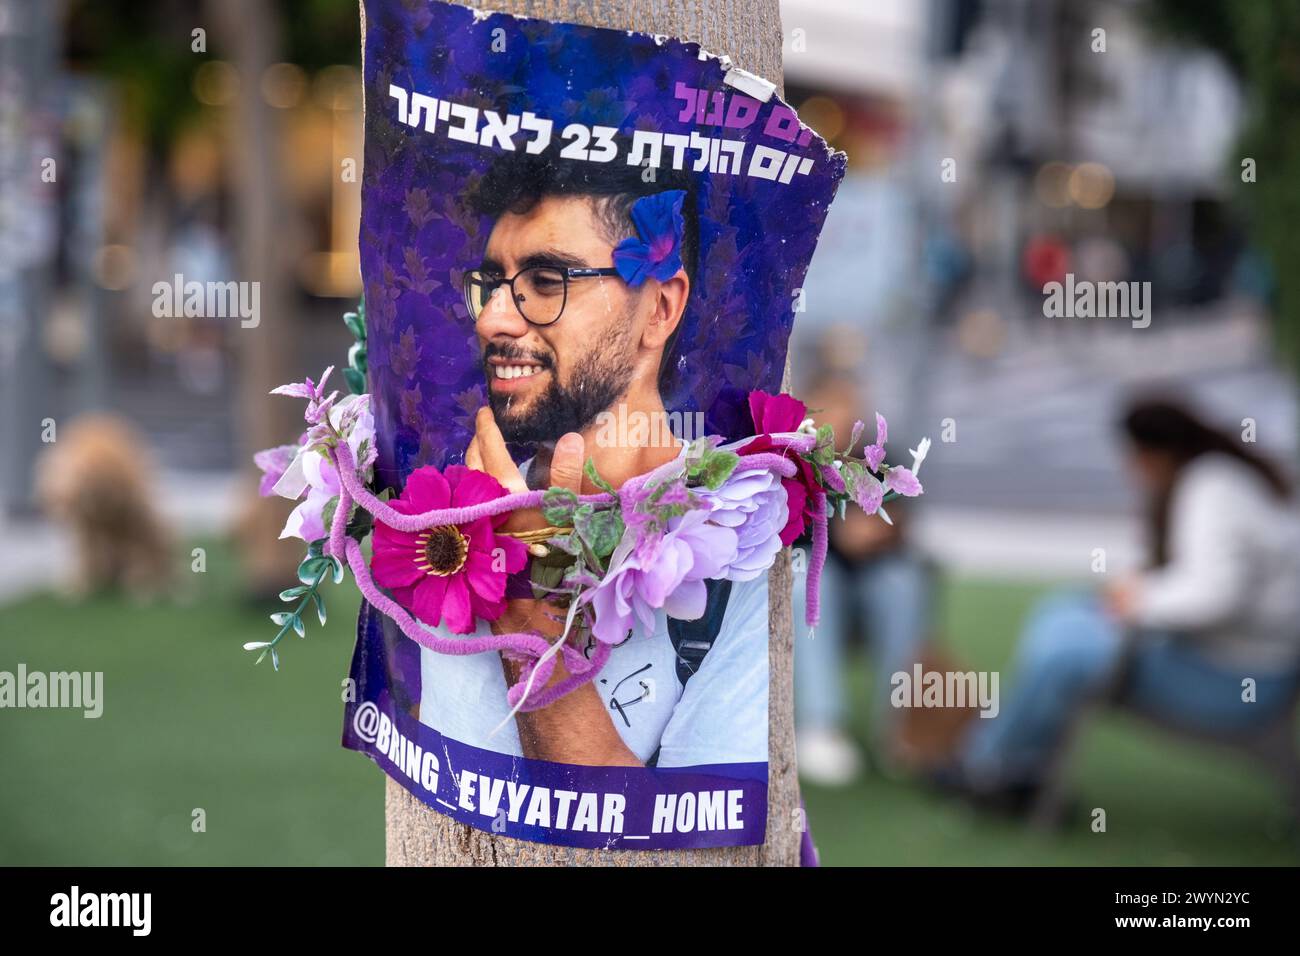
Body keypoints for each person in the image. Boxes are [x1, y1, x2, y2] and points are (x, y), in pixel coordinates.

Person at [412, 144, 769, 769]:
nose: (495, 318)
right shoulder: (455, 531)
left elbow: (687, 851)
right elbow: (453, 810)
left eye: (546, 282)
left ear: (658, 308)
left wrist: (523, 604)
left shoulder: (753, 546)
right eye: (492, 284)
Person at [947, 397, 1300, 803]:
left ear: (1153, 452)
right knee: (1064, 615)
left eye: (1133, 458)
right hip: (1240, 664)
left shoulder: (1210, 487)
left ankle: (993, 766)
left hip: (1239, 683)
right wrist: (1140, 591)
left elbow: (1214, 596)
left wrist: (1137, 600)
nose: (1131, 471)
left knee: (1067, 648)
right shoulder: (1220, 478)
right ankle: (1004, 762)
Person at [790, 327, 933, 785]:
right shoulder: (791, 459)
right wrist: (834, 528)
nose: (841, 416)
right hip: (818, 578)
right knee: (803, 582)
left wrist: (877, 532)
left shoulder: (879, 457)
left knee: (903, 584)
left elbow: (903, 523)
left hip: (872, 578)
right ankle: (821, 723)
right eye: (828, 405)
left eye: (848, 403)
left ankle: (901, 725)